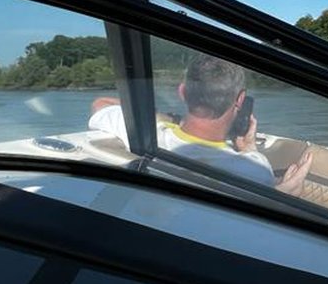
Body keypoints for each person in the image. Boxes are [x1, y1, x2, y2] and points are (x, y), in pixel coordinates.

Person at [88, 54, 312, 194]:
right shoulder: (254, 169)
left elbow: (100, 103)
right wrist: (249, 148)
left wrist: (166, 118)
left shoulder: (143, 132)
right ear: (240, 100)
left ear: (182, 92)